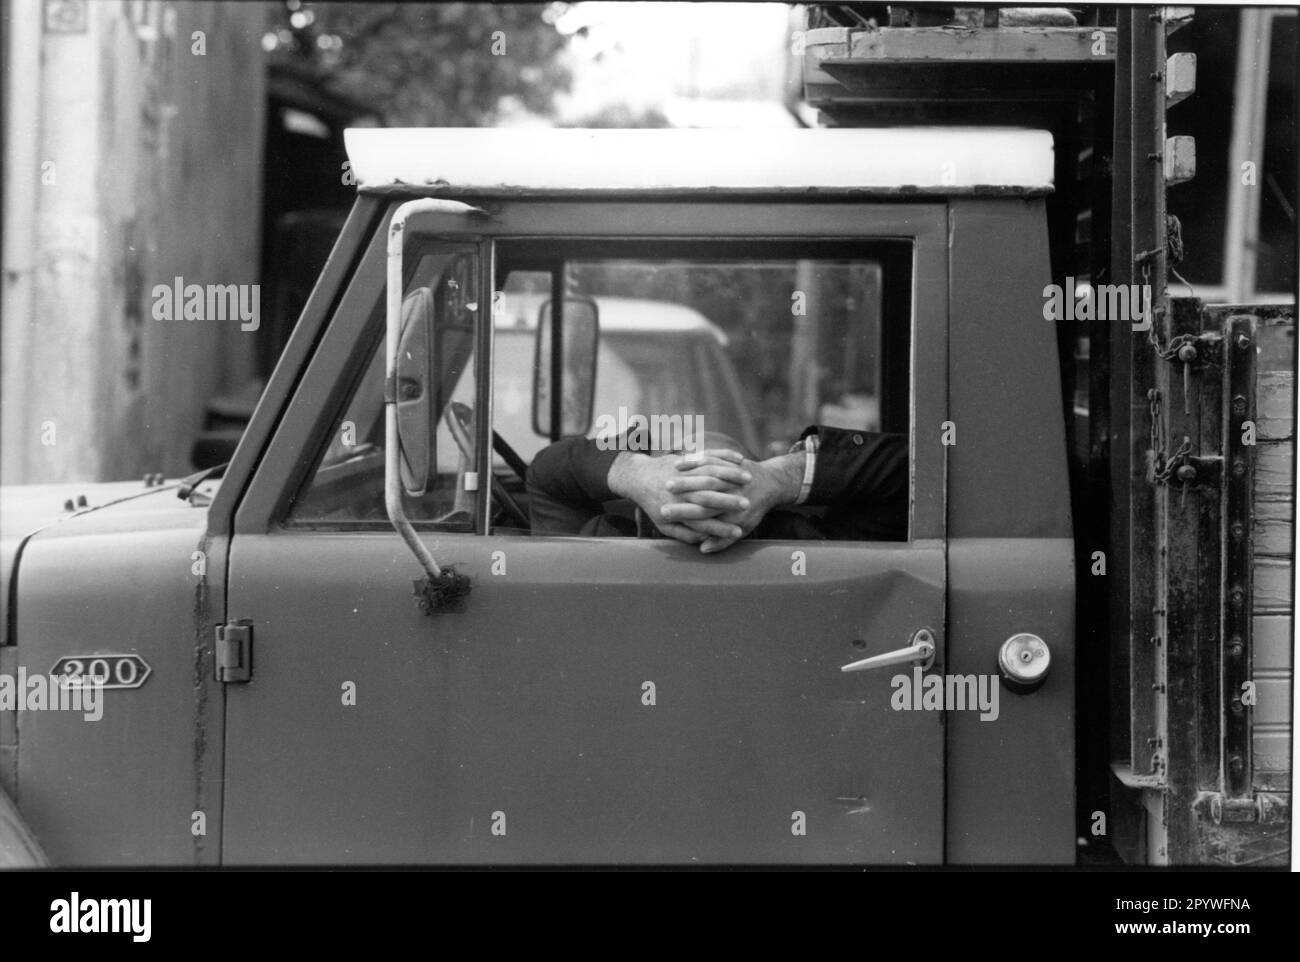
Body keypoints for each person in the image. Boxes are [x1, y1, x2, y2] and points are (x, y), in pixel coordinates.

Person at [526, 425, 906, 552]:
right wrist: (639, 473)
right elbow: (547, 473)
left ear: (759, 503)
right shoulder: (812, 547)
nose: (702, 492)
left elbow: (913, 468)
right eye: (684, 471)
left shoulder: (596, 543)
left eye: (727, 475)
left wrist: (775, 479)